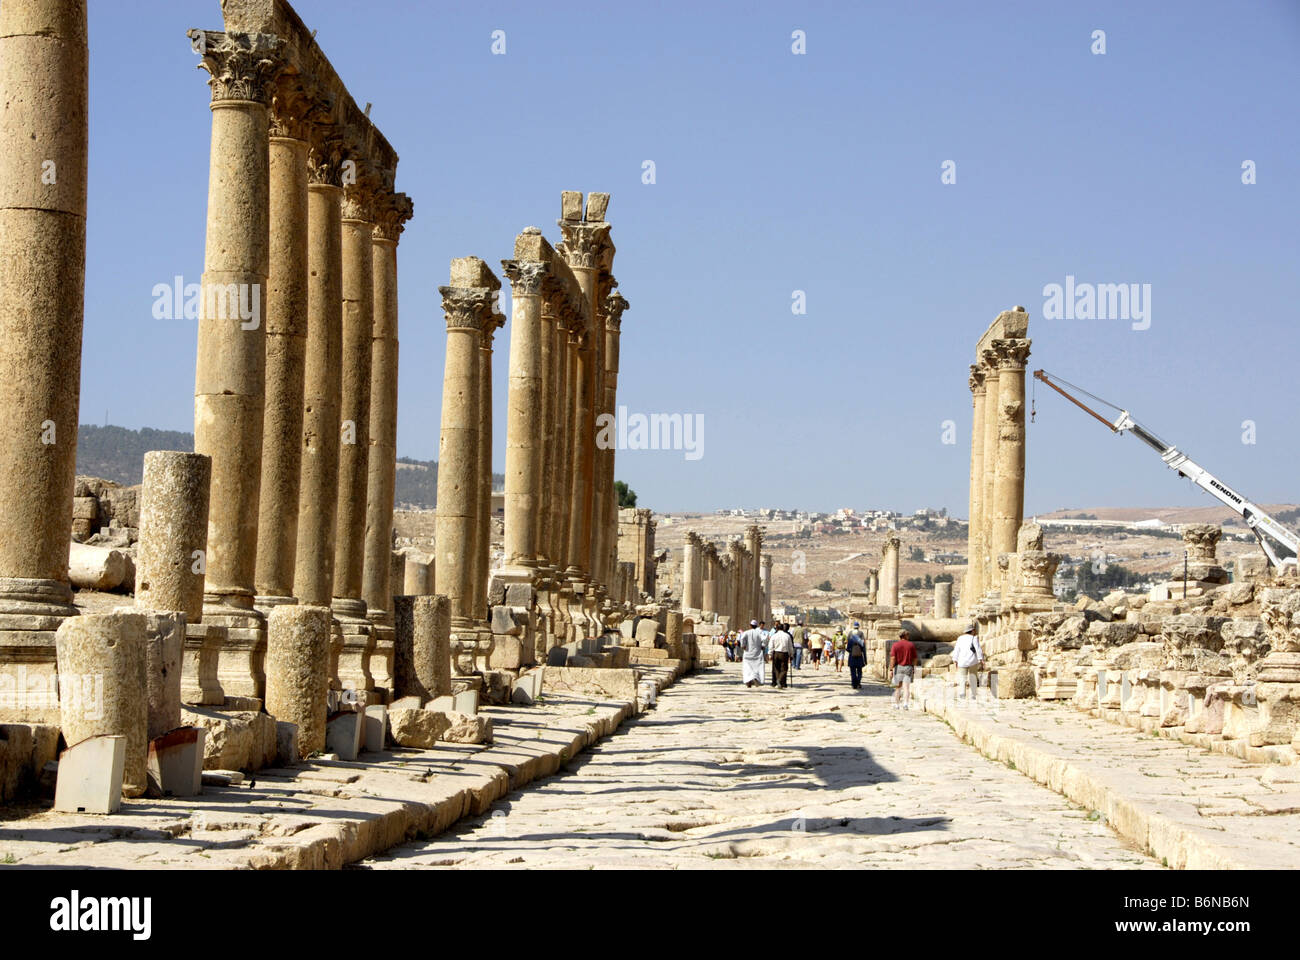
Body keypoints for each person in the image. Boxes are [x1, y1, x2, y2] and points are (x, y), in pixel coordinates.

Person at [952, 623, 985, 702]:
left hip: (962, 661)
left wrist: (955, 659)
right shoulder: (974, 638)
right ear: (972, 631)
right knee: (973, 678)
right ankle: (973, 695)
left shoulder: (960, 638)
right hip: (972, 661)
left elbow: (957, 650)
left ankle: (962, 694)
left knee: (962, 678)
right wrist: (981, 659)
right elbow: (978, 649)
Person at [889, 629, 918, 710]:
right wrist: (915, 667)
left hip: (898, 667)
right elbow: (915, 658)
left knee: (898, 687)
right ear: (905, 636)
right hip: (908, 667)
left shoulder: (895, 645)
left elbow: (893, 658)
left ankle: (897, 704)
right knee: (906, 687)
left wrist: (891, 669)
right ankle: (905, 704)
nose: (908, 637)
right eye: (908, 635)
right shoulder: (911, 645)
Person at [738, 619, 768, 688]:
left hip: (748, 653)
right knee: (757, 668)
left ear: (750, 626)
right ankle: (756, 679)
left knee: (747, 668)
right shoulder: (759, 633)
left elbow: (742, 639)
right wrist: (763, 646)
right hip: (757, 654)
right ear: (756, 626)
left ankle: (748, 681)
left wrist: (743, 646)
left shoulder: (746, 632)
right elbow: (765, 639)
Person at [769, 621, 793, 688]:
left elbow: (770, 646)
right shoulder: (787, 636)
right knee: (784, 669)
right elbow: (790, 646)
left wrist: (770, 654)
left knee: (776, 668)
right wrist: (791, 655)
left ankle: (778, 680)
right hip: (784, 653)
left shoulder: (774, 636)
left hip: (776, 653)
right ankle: (780, 680)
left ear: (777, 628)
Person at [845, 622, 867, 689]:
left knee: (853, 671)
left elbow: (847, 648)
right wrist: (865, 659)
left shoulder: (850, 635)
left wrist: (851, 651)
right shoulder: (861, 634)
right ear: (858, 627)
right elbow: (864, 648)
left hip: (852, 657)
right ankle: (858, 682)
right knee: (859, 671)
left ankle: (853, 683)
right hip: (859, 657)